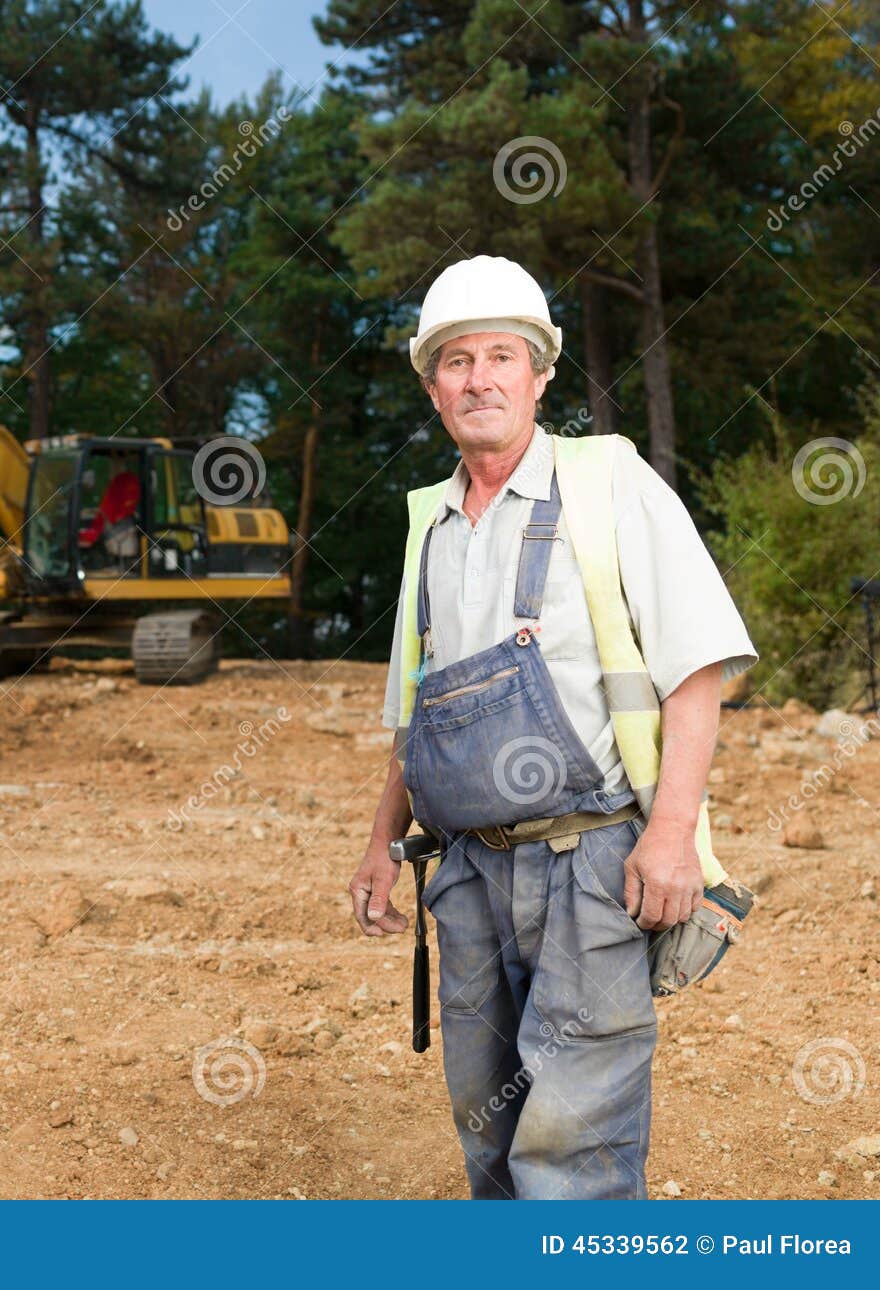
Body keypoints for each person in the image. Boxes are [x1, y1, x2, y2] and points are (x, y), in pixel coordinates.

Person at [349, 255, 757, 1200]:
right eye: (456, 360)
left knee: (573, 1145)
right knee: (488, 1133)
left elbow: (694, 669)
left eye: (502, 356)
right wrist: (380, 842)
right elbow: (422, 718)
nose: (479, 377)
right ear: (432, 384)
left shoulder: (610, 484)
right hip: (467, 874)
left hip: (593, 863)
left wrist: (669, 836)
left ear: (539, 376)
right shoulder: (431, 528)